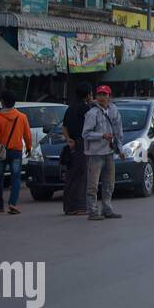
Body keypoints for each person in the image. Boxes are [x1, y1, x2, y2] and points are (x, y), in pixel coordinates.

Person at [82, 84, 124, 222]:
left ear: (109, 97)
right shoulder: (92, 113)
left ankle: (107, 208)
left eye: (104, 95)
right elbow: (86, 134)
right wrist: (101, 135)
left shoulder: (114, 110)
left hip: (109, 152)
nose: (102, 97)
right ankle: (93, 211)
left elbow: (118, 132)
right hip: (95, 153)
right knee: (93, 184)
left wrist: (120, 149)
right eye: (99, 94)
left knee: (109, 183)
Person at [0, 91, 34, 215]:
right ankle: (12, 203)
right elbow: (27, 135)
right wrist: (29, 147)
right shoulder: (22, 117)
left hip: (0, 151)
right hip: (16, 150)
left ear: (2, 102)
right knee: (16, 178)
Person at [61, 82, 93, 215]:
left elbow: (64, 127)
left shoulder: (70, 108)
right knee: (81, 175)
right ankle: (78, 206)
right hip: (82, 143)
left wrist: (68, 139)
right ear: (87, 95)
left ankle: (68, 206)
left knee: (71, 176)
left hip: (72, 144)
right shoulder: (86, 109)